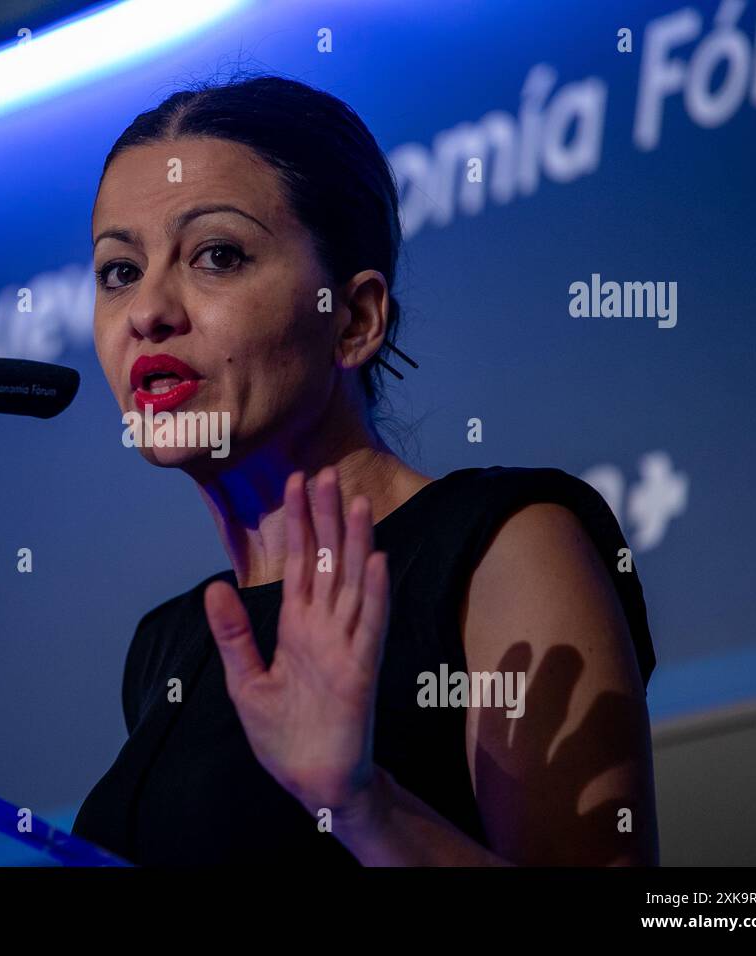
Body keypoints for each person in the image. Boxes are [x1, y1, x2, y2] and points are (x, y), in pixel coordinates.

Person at [72, 74, 658, 866]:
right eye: (119, 271)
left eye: (217, 255)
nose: (147, 311)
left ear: (353, 320)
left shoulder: (503, 546)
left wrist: (359, 802)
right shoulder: (171, 646)